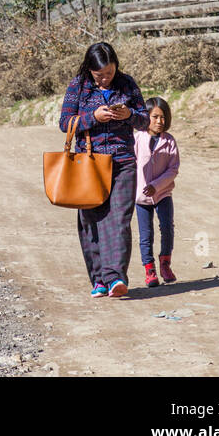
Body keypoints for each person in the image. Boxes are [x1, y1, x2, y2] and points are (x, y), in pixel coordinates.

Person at [59, 41, 149, 299]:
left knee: (119, 219)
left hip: (123, 161)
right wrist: (92, 118)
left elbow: (144, 120)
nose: (106, 79)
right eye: (100, 75)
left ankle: (115, 278)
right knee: (92, 220)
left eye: (109, 72)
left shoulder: (127, 83)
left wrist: (129, 115)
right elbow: (65, 123)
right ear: (89, 70)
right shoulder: (78, 86)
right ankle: (98, 279)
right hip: (89, 163)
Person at [134, 97, 180, 287]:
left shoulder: (169, 141)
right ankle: (149, 270)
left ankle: (165, 264)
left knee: (167, 229)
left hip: (163, 195)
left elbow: (173, 169)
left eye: (163, 117)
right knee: (146, 235)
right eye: (155, 117)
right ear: (146, 117)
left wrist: (157, 185)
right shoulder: (136, 139)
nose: (159, 121)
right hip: (141, 198)